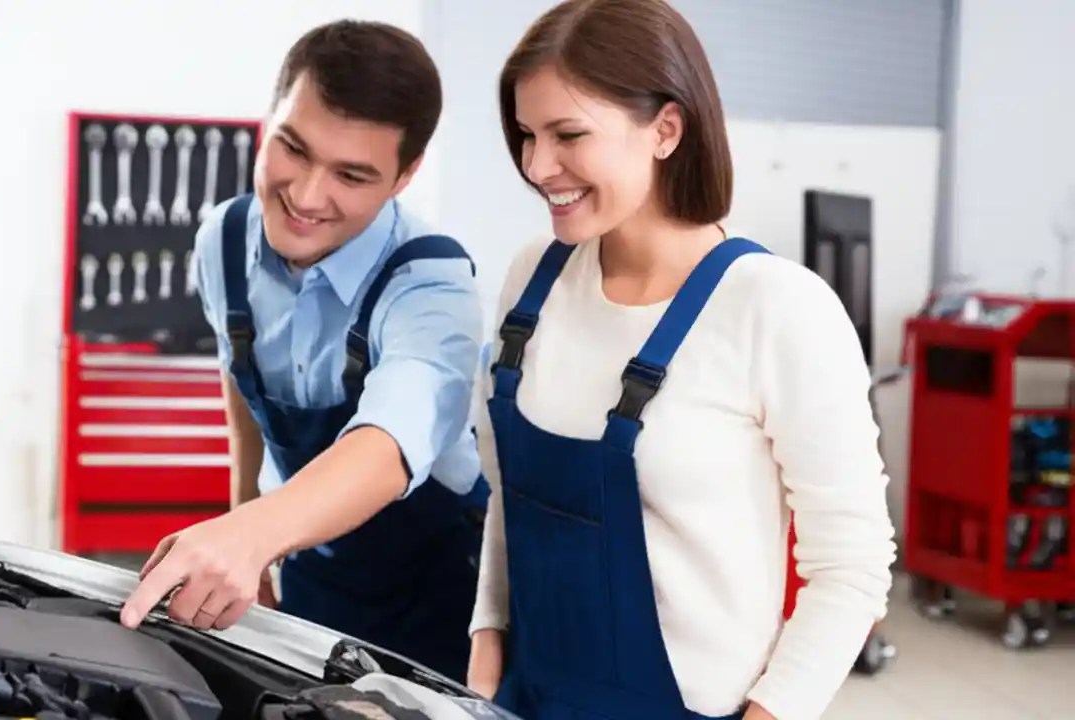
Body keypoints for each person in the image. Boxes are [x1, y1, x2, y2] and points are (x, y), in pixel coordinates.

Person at [465, 2, 896, 719]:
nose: (538, 166)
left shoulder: (777, 308)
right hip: (525, 696)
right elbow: (509, 497)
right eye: (526, 135)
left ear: (666, 129)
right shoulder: (531, 280)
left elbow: (851, 569)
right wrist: (486, 644)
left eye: (568, 134)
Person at [119, 19, 489, 683]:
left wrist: (253, 533)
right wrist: (248, 525)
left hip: (436, 590)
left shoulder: (432, 284)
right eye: (293, 148)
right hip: (312, 562)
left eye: (352, 174)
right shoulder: (223, 241)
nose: (307, 196)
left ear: (405, 176)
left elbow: (384, 448)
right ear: (269, 119)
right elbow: (245, 380)